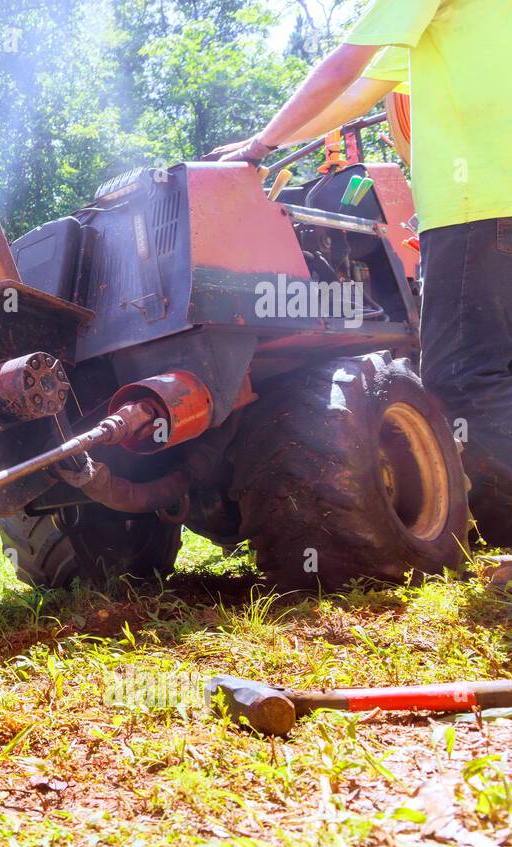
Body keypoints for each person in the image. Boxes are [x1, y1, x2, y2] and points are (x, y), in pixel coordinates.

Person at [213, 0, 512, 546]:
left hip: (478, 206)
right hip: (493, 201)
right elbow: (361, 91)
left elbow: (344, 64)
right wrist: (274, 145)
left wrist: (260, 145)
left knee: (469, 378)